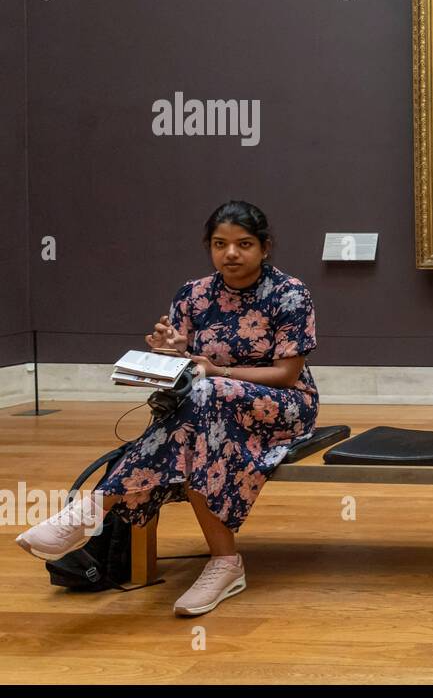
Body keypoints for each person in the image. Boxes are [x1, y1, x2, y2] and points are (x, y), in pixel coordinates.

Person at [15, 201, 319, 616]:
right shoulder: (192, 294)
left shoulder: (290, 293)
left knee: (207, 396)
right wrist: (172, 353)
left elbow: (286, 373)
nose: (231, 253)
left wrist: (214, 370)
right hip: (206, 410)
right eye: (220, 244)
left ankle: (92, 509)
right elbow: (188, 370)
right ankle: (224, 562)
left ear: (265, 248)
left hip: (282, 407)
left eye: (244, 244)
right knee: (198, 427)